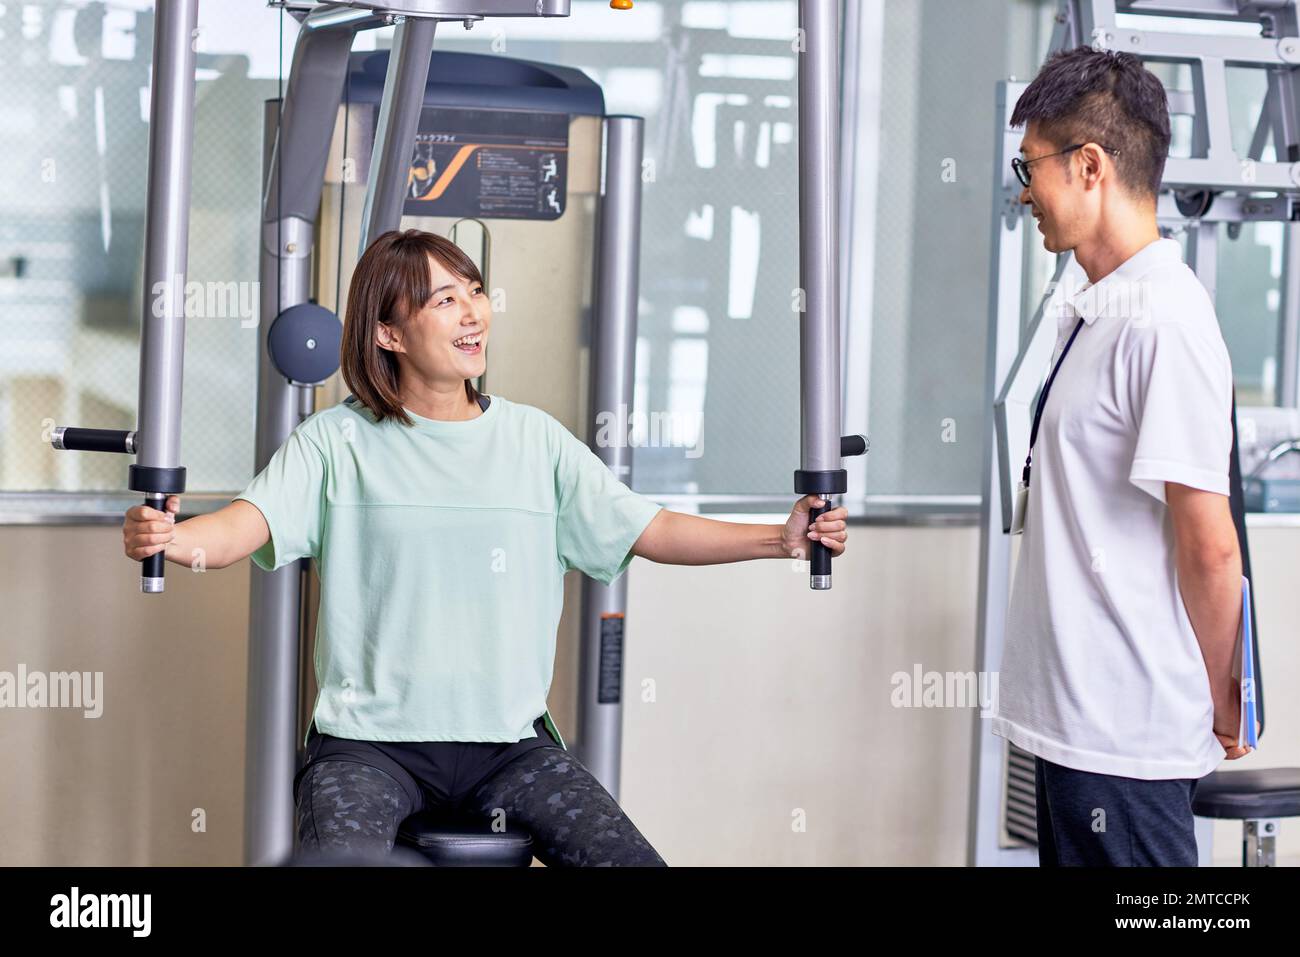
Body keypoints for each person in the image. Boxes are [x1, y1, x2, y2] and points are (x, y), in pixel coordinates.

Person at [122, 228, 850, 867]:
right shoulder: (334, 443)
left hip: (509, 747)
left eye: (474, 291)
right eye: (444, 300)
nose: (473, 311)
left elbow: (649, 526)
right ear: (388, 334)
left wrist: (778, 539)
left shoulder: (534, 440)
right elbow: (240, 528)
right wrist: (172, 536)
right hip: (369, 745)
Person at [993, 46, 1252, 867]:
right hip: (1077, 730)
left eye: (1030, 166)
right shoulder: (1094, 308)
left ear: (1091, 165)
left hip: (1126, 740)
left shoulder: (1164, 322)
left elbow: (1207, 542)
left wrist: (1227, 696)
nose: (1024, 189)